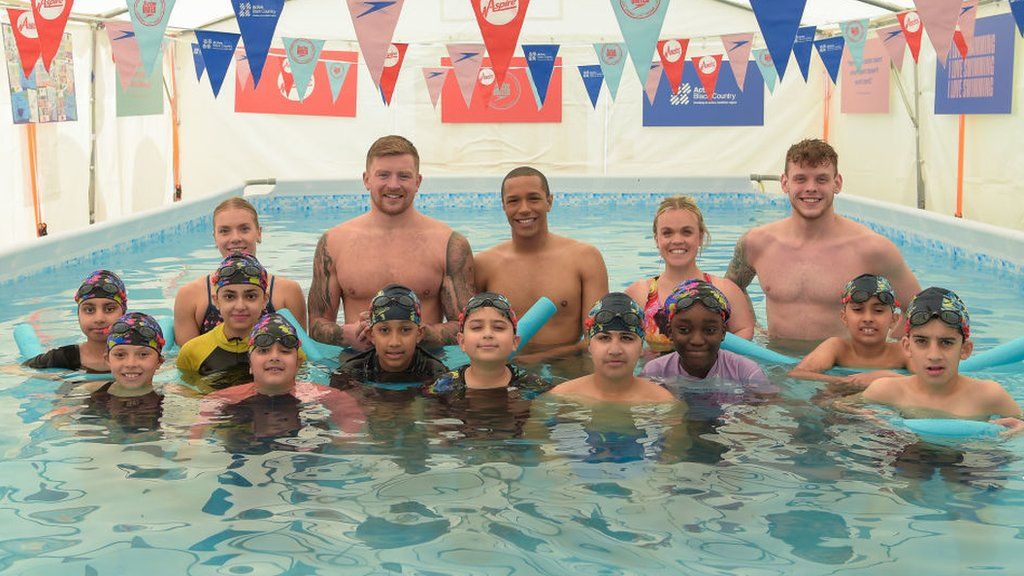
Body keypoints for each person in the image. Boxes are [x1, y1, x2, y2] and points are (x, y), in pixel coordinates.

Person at [725, 139, 920, 347]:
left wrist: (888, 347)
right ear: (785, 183)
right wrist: (751, 328)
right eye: (800, 179)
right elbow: (730, 289)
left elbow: (918, 308)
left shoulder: (872, 248)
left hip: (840, 365)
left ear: (837, 183)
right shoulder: (756, 243)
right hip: (774, 361)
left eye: (821, 179)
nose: (811, 188)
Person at [308, 136, 474, 350]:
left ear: (418, 182)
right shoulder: (333, 243)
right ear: (367, 180)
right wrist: (345, 334)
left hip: (427, 364)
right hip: (356, 363)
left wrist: (421, 333)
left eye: (404, 176)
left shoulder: (449, 244)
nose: (394, 185)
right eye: (383, 175)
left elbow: (467, 325)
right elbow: (316, 325)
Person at [475, 166, 609, 360]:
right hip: (505, 368)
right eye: (513, 201)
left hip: (567, 367)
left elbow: (598, 337)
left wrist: (539, 359)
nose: (524, 209)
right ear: (504, 206)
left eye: (533, 198)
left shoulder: (585, 258)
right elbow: (471, 333)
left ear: (549, 201)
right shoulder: (484, 265)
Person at [861, 288, 1023, 433]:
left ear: (965, 349)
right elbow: (848, 410)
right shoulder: (885, 391)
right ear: (907, 346)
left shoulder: (989, 396)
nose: (934, 355)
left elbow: (1019, 425)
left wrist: (1018, 430)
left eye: (946, 342)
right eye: (922, 341)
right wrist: (864, 418)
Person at [198, 314, 365, 445]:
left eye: (285, 351)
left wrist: (339, 442)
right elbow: (197, 437)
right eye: (264, 351)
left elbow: (352, 427)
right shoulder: (221, 399)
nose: (274, 357)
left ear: (298, 364)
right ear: (250, 364)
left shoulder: (329, 396)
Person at [626, 197, 755, 355]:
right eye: (667, 233)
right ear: (656, 240)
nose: (677, 240)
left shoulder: (726, 290)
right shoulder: (638, 294)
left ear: (700, 237)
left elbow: (744, 331)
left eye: (686, 232)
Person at [173, 197, 306, 346]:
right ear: (215, 238)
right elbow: (186, 357)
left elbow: (301, 353)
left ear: (259, 233)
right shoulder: (189, 296)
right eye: (224, 231)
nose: (235, 238)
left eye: (244, 229)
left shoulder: (287, 292)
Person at [178, 253, 303, 377]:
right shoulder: (192, 352)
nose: (240, 306)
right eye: (229, 297)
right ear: (216, 301)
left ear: (265, 300)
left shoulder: (286, 348)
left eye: (250, 296)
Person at [547, 293, 677, 403]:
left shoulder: (663, 402)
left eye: (626, 338)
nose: (615, 350)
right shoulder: (560, 398)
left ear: (641, 348)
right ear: (589, 345)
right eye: (604, 338)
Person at [641, 280, 768, 387]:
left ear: (723, 332)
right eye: (684, 330)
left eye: (710, 330)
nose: (697, 341)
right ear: (670, 332)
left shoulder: (746, 373)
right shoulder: (654, 372)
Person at [426, 292, 550, 401]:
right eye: (477, 327)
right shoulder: (444, 385)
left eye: (498, 328)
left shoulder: (531, 384)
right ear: (462, 342)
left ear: (514, 342)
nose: (488, 334)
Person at [790, 274, 908, 388]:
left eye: (878, 310)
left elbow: (919, 382)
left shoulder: (902, 352)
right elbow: (798, 374)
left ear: (894, 319)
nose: (868, 318)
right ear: (844, 318)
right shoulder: (837, 347)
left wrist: (885, 377)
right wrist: (849, 382)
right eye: (857, 309)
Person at [331, 285, 448, 386]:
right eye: (384, 330)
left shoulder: (436, 372)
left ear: (419, 334)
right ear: (371, 335)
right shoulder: (350, 371)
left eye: (405, 330)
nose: (394, 342)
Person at [23, 269, 128, 373]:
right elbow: (18, 370)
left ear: (123, 314)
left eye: (109, 309)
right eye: (89, 310)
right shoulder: (62, 357)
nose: (99, 319)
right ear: (78, 315)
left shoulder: (137, 356)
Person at [79, 311, 165, 408]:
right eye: (120, 355)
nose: (131, 364)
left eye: (143, 354)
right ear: (107, 360)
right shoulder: (90, 390)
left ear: (159, 361)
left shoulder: (169, 395)